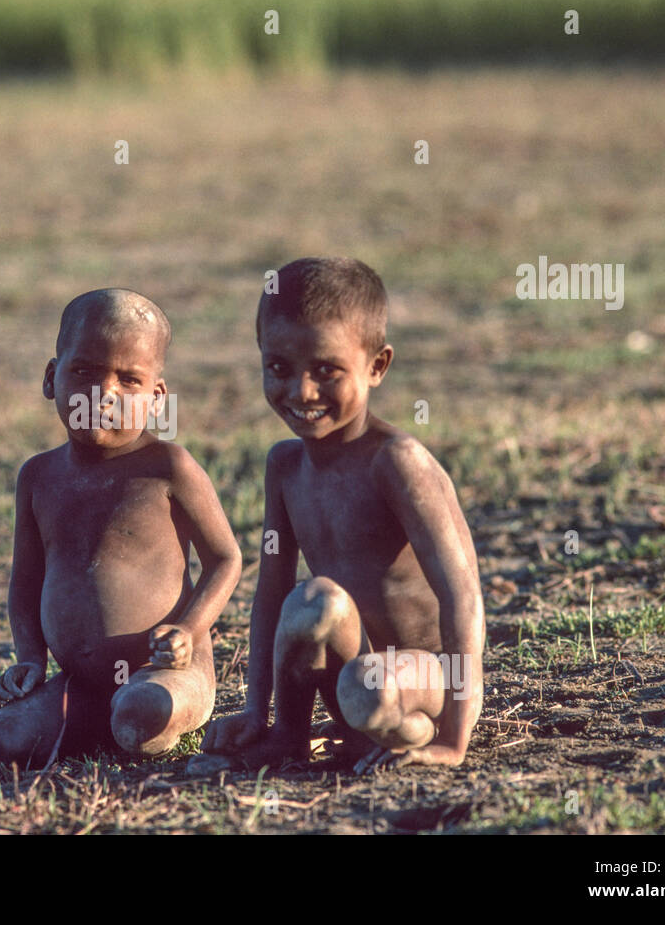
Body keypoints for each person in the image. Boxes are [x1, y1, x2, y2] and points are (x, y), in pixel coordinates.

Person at [196, 257, 484, 774]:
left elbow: (462, 597)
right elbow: (271, 596)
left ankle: (411, 734)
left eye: (326, 371)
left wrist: (455, 740)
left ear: (377, 366)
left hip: (422, 680)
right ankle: (290, 738)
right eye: (279, 369)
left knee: (366, 686)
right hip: (354, 677)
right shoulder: (285, 466)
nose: (301, 392)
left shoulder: (397, 462)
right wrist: (256, 712)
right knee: (312, 600)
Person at [0, 288, 241, 769]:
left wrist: (189, 630)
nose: (104, 393)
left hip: (166, 670)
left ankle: (137, 720)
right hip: (82, 685)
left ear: (156, 398)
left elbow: (226, 559)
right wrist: (31, 660)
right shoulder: (39, 477)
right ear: (51, 377)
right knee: (6, 740)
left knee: (142, 710)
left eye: (129, 379)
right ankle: (100, 721)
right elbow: (26, 581)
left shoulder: (168, 467)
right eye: (84, 372)